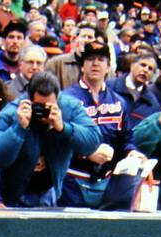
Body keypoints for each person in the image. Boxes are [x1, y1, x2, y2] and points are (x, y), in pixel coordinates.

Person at [0, 70, 98, 208]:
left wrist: (63, 128)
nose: (43, 112)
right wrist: (18, 128)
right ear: (29, 99)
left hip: (50, 191)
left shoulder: (70, 107)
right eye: (39, 106)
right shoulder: (13, 111)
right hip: (14, 195)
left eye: (49, 106)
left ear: (57, 98)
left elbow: (93, 142)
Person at [58, 36, 125, 208]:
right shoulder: (66, 99)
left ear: (108, 66)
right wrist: (87, 152)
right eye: (90, 59)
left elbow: (126, 138)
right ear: (82, 66)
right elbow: (57, 137)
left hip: (107, 183)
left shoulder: (119, 101)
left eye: (101, 59)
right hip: (72, 182)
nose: (95, 63)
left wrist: (132, 152)